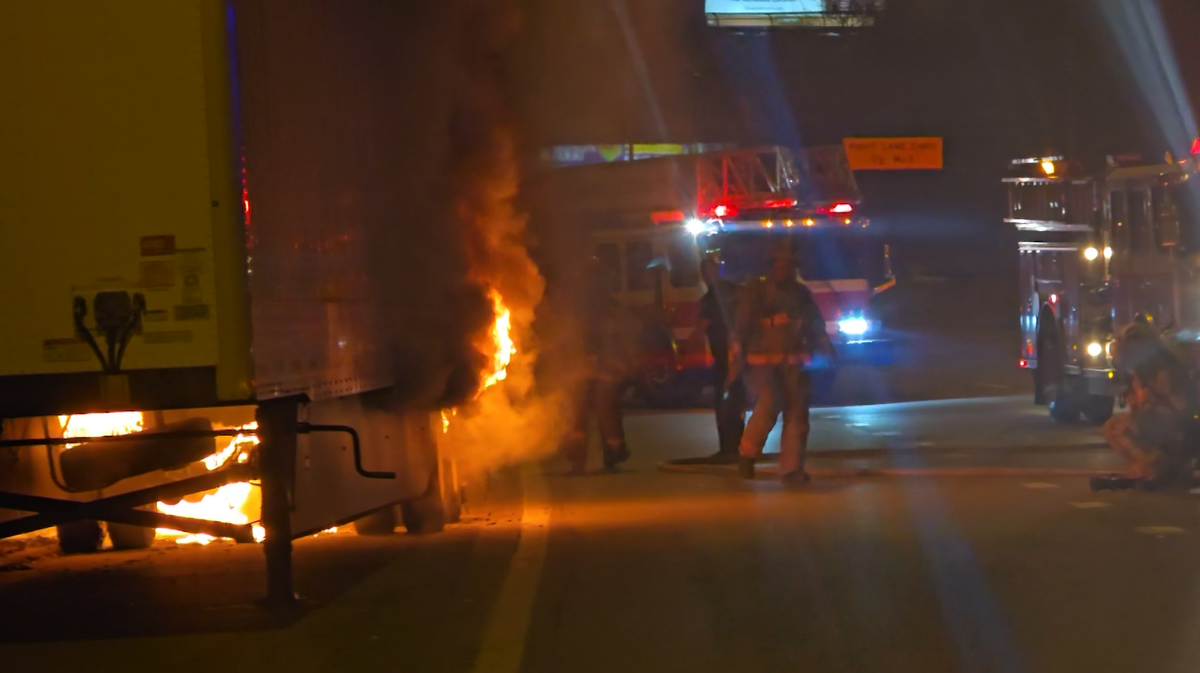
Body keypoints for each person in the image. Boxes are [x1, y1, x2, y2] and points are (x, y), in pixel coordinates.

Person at [728, 237, 833, 486]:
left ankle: (791, 470)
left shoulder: (800, 295)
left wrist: (826, 347)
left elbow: (815, 326)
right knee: (769, 404)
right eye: (781, 263)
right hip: (761, 365)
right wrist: (737, 358)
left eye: (790, 265)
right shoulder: (755, 293)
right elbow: (740, 329)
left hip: (793, 364)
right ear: (771, 264)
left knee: (797, 415)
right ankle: (747, 455)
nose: (786, 269)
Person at [1098, 318, 1195, 489]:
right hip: (1172, 423)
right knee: (1116, 425)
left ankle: (1150, 466)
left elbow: (1172, 404)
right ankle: (1151, 465)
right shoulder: (1152, 364)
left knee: (1115, 428)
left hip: (1174, 426)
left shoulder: (1155, 368)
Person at [561, 257, 634, 474]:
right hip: (598, 363)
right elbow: (612, 331)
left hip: (586, 363)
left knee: (580, 412)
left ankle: (580, 458)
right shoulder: (601, 305)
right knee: (604, 409)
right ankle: (612, 450)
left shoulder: (577, 304)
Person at [687, 254, 745, 462]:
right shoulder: (734, 291)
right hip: (739, 356)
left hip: (723, 356)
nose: (705, 277)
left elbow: (701, 328)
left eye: (705, 272)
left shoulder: (711, 298)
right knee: (737, 400)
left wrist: (684, 349)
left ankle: (728, 448)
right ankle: (740, 447)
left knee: (724, 401)